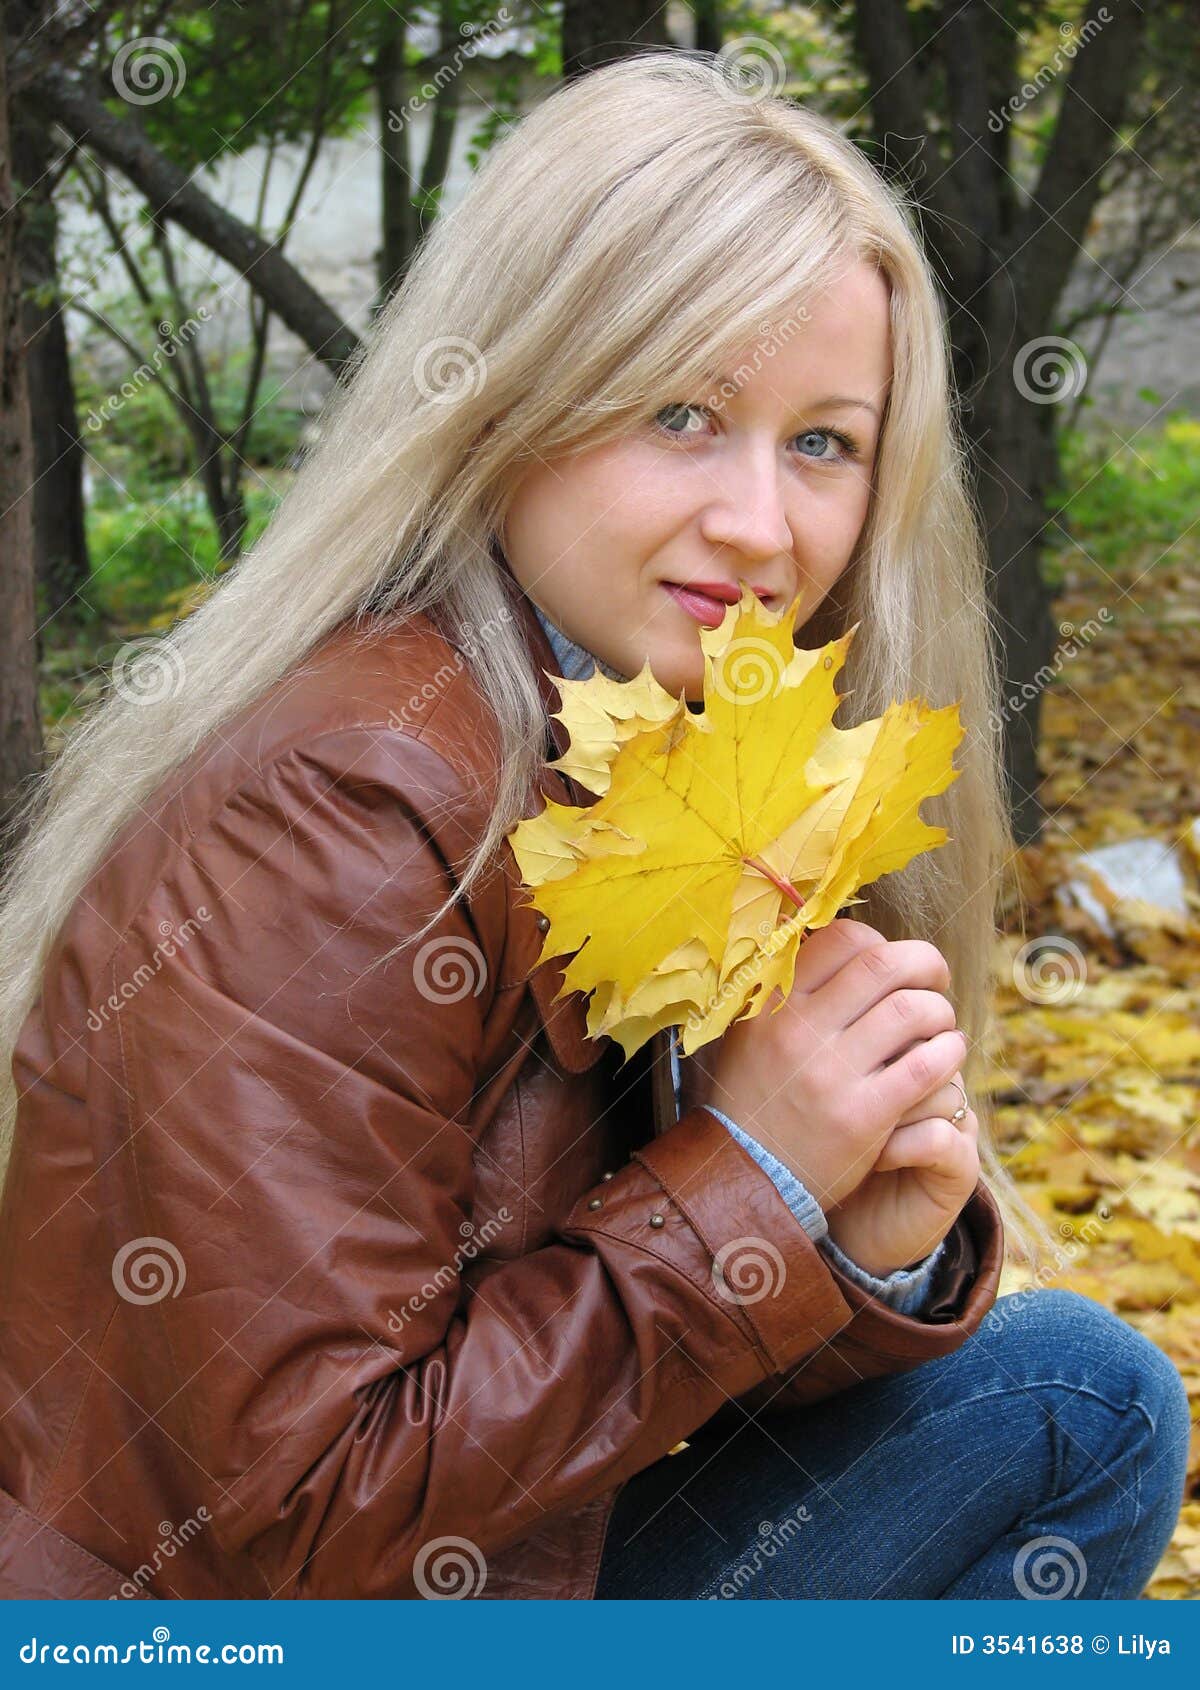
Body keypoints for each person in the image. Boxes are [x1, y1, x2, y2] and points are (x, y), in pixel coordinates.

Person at [0, 51, 1188, 1602]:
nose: (764, 526)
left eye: (824, 442)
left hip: (491, 1565)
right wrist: (752, 1171)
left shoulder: (648, 744)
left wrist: (847, 1247)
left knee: (1075, 1400)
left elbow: (609, 1372)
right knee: (1079, 1400)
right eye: (683, 412)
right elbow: (299, 1514)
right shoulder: (351, 803)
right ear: (512, 395)